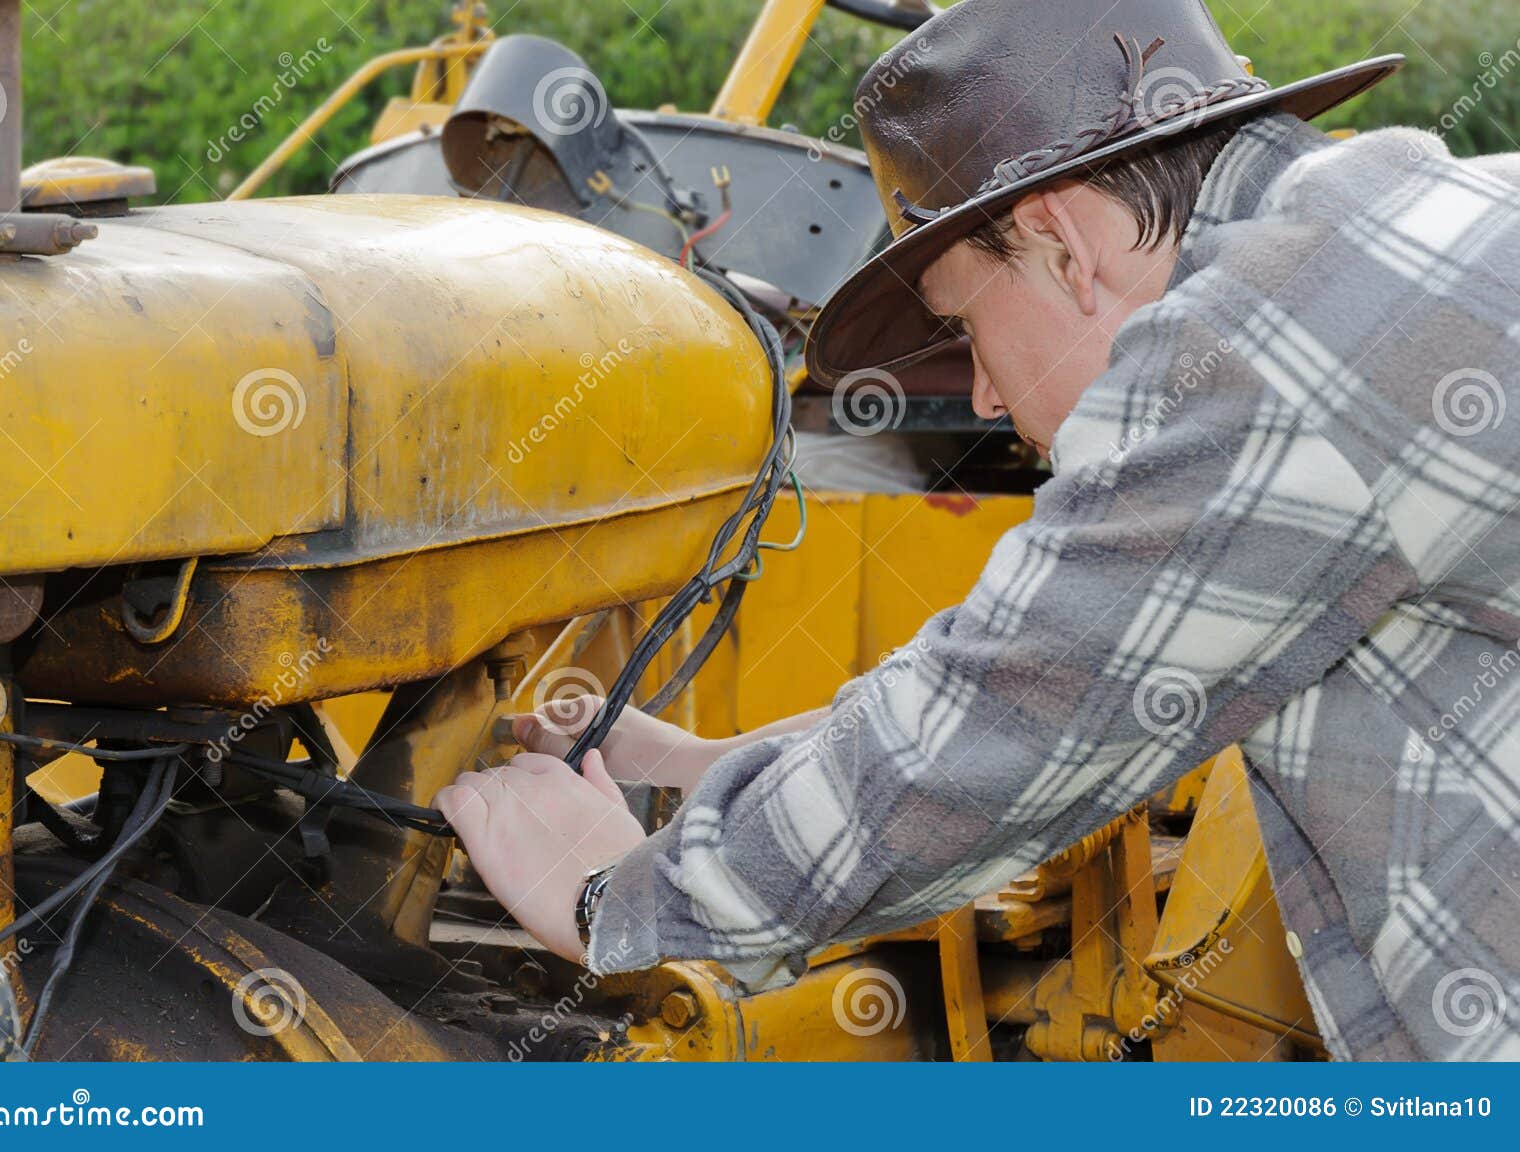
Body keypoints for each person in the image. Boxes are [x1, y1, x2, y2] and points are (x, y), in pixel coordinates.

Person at [437, 0, 1520, 1059]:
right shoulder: (1414, 232)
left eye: (962, 324)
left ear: (1059, 241)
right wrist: (714, 761)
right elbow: (1067, 654)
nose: (988, 400)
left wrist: (614, 899)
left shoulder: (1270, 339)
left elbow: (1013, 713)